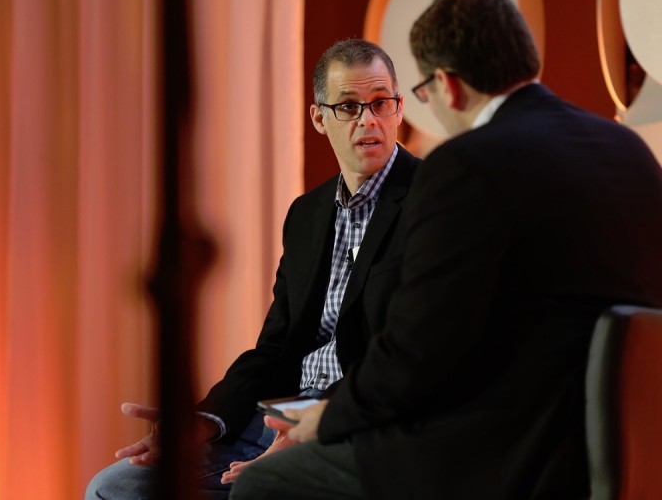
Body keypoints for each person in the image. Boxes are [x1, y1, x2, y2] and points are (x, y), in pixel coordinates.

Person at [229, 0, 662, 499]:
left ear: (445, 84)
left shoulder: (467, 165)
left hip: (505, 458)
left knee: (267, 484)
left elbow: (418, 352)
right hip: (631, 449)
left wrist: (325, 419)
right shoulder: (632, 152)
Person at [84, 38, 421, 499]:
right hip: (273, 418)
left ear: (399, 108)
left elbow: (412, 357)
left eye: (381, 103)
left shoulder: (434, 201)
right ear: (320, 118)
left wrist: (314, 424)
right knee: (115, 489)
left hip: (357, 426)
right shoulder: (307, 214)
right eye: (349, 107)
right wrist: (203, 419)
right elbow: (275, 347)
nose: (369, 119)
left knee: (259, 491)